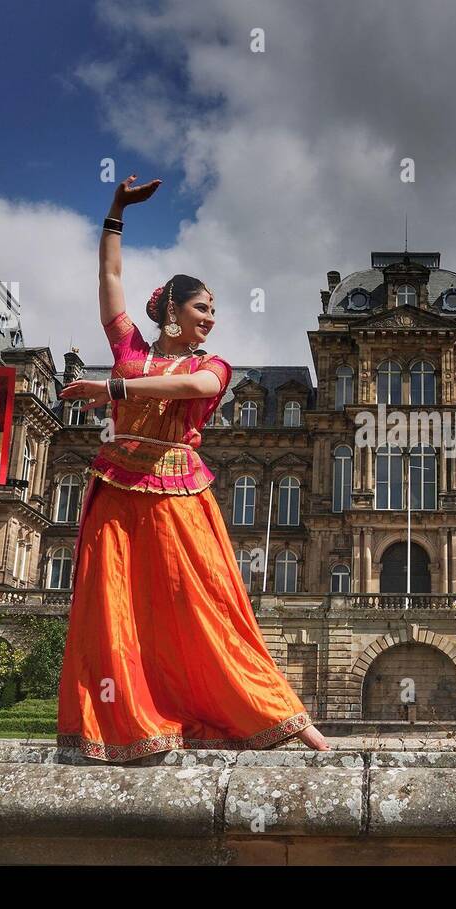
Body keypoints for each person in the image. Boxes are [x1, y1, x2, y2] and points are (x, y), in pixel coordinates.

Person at [56, 174, 329, 762]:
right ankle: (130, 725)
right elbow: (109, 279)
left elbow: (193, 384)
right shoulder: (131, 346)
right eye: (202, 308)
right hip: (114, 485)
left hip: (178, 493)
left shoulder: (213, 366)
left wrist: (114, 388)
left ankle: (286, 719)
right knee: (111, 604)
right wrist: (114, 211)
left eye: (213, 311)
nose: (211, 318)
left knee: (207, 604)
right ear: (172, 310)